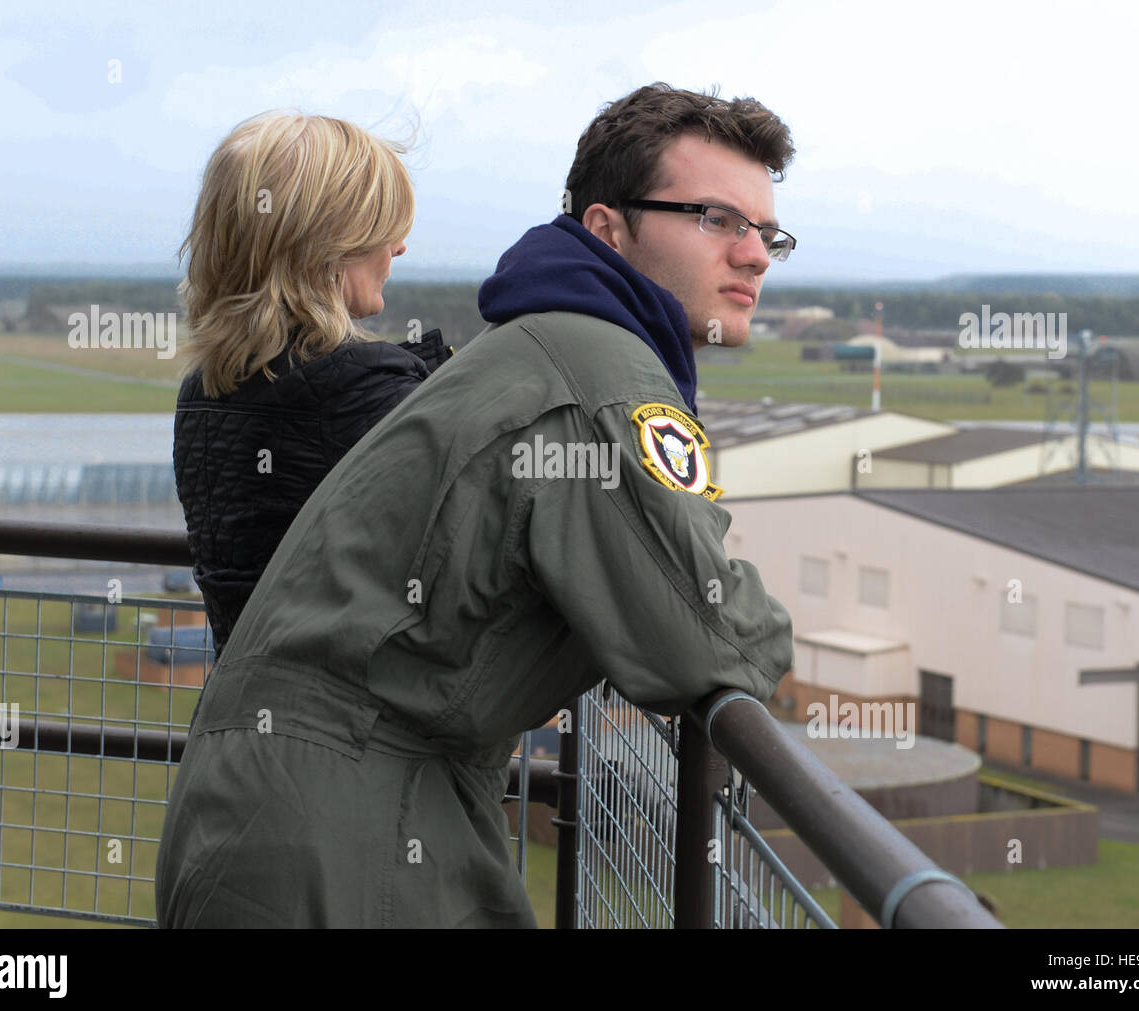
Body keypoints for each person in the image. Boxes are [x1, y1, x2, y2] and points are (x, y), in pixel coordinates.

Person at [155, 83, 797, 929]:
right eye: (716, 219)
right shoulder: (593, 374)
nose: (754, 255)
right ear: (608, 229)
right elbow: (709, 639)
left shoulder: (527, 350)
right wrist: (766, 631)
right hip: (347, 830)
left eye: (768, 233)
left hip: (287, 805)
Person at [172, 110, 451, 658]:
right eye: (383, 227)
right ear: (330, 243)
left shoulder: (203, 393)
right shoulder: (363, 394)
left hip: (238, 698)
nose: (398, 247)